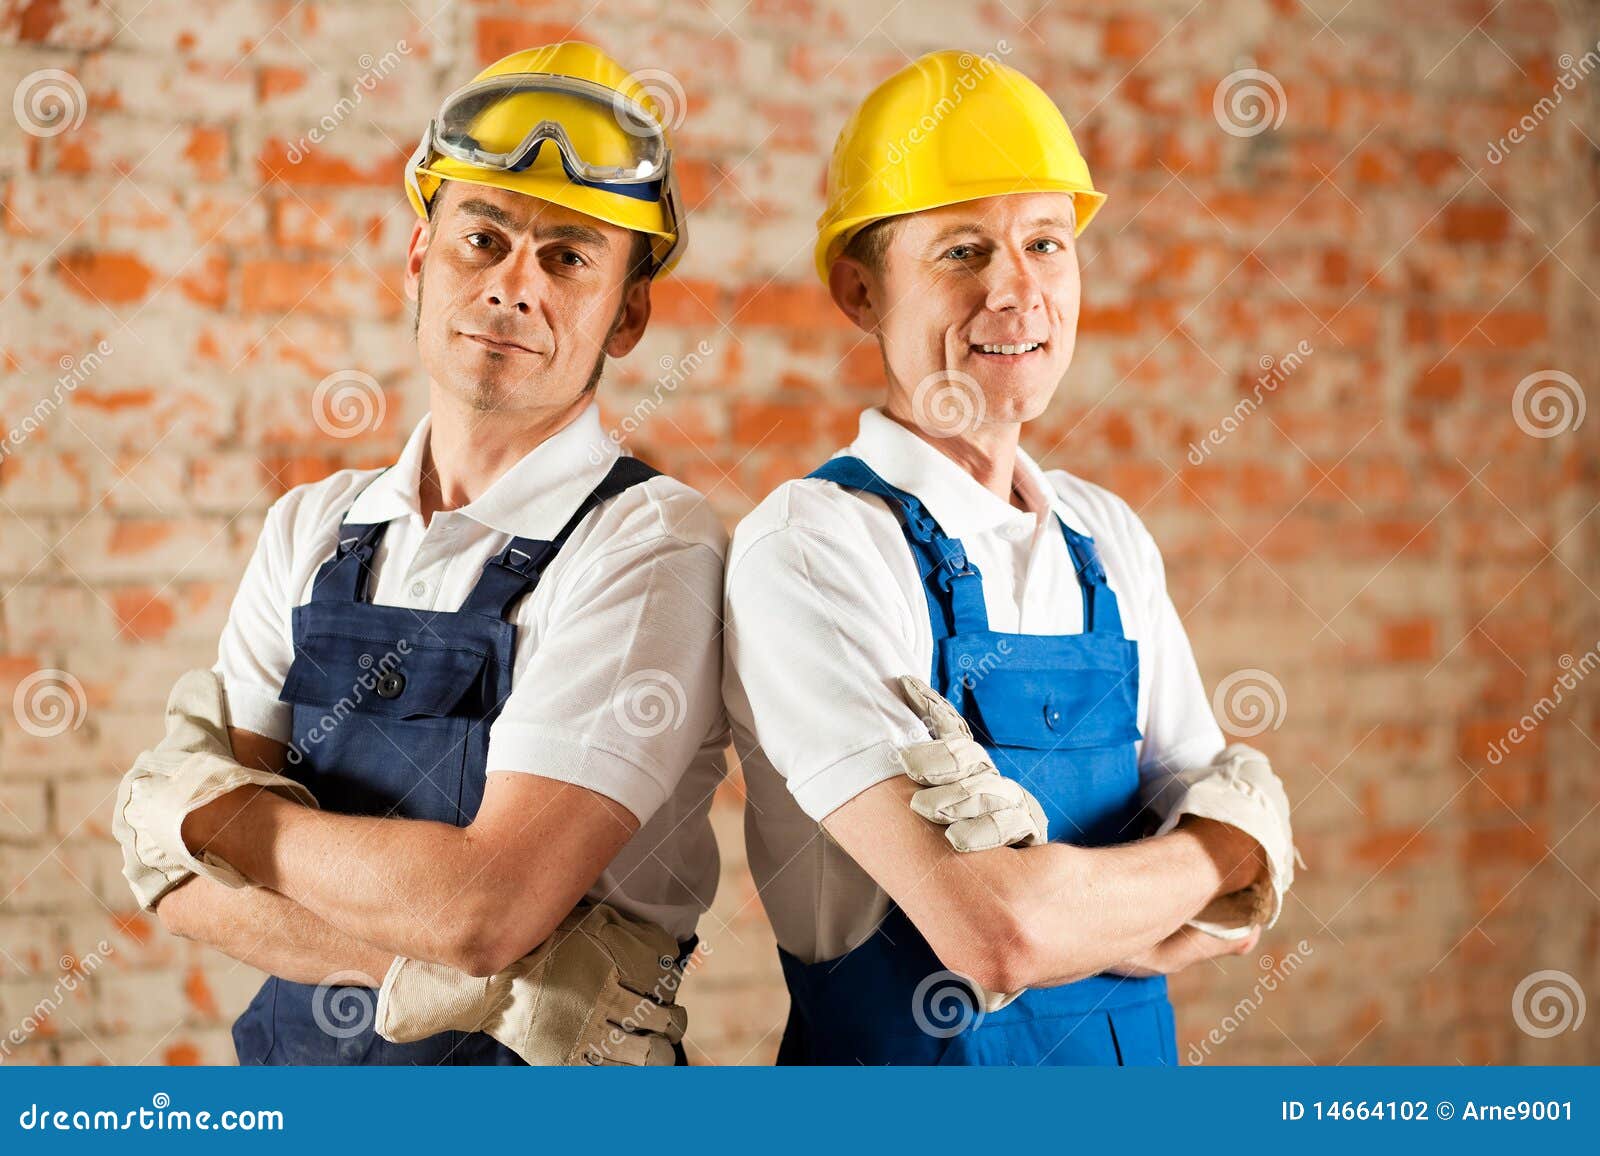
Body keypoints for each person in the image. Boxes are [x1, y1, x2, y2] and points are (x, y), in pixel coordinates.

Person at [113, 42, 727, 1067]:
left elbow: (487, 906)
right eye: (481, 238)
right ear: (418, 260)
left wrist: (218, 815)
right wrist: (495, 993)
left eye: (569, 257)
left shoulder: (651, 543)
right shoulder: (311, 528)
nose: (512, 286)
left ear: (629, 314)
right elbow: (182, 894)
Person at [723, 50, 1302, 1066]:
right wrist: (1222, 850)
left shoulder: (1106, 539)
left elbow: (1231, 926)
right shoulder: (812, 545)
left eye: (1044, 242)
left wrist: (1104, 895)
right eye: (960, 252)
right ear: (859, 289)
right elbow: (998, 937)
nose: (1016, 290)